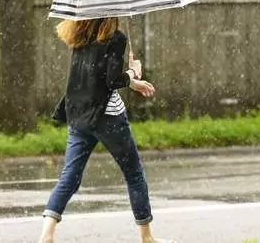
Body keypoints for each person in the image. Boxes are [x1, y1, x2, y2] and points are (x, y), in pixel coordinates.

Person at [38, 17, 174, 243]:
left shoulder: (79, 35)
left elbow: (96, 77)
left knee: (69, 178)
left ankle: (47, 234)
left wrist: (131, 81)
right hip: (107, 117)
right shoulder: (115, 38)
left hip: (79, 114)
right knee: (134, 174)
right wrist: (132, 72)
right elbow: (111, 80)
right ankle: (147, 238)